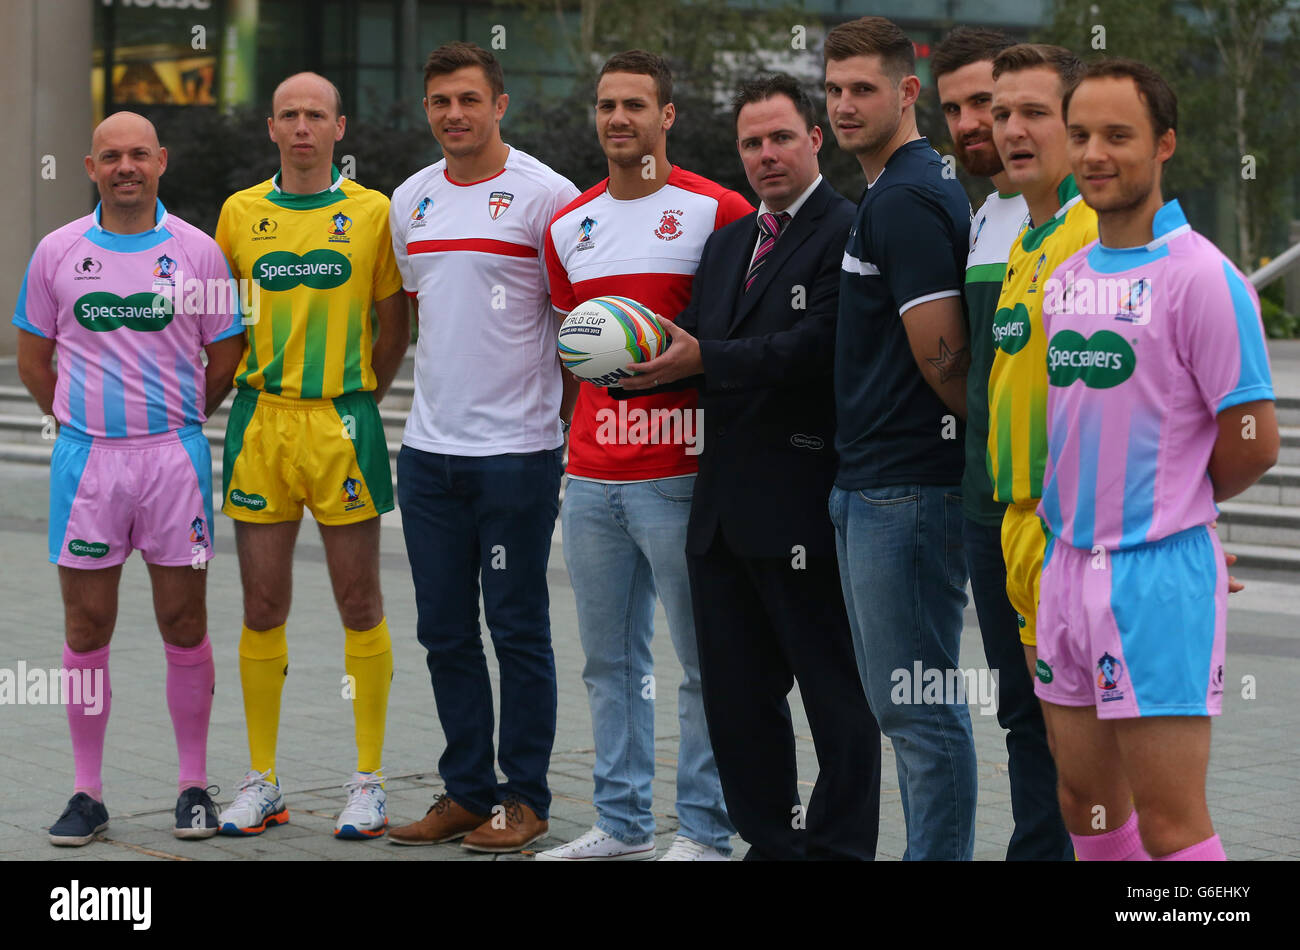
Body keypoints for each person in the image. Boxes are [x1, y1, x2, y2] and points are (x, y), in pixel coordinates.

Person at [615, 74, 883, 860]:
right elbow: (695, 342)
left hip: (806, 509)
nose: (765, 155)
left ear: (815, 140)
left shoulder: (851, 230)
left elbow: (819, 347)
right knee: (737, 705)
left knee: (836, 705)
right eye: (750, 143)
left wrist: (704, 358)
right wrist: (636, 355)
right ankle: (772, 844)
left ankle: (836, 853)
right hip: (722, 518)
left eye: (780, 139)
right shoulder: (730, 240)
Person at [1036, 58, 1278, 861]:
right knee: (1086, 806)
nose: (1095, 153)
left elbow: (1254, 440)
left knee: (1172, 823)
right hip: (1063, 567)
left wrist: (1178, 506)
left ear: (1165, 143)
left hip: (1156, 576)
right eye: (1080, 136)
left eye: (1118, 135)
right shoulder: (1064, 280)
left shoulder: (1205, 277)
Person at [538, 49, 751, 862]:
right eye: (606, 105)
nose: (617, 119)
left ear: (667, 116)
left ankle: (704, 828)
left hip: (682, 470)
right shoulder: (569, 225)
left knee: (704, 663)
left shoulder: (718, 209)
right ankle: (621, 824)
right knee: (607, 662)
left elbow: (737, 333)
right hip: (591, 477)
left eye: (634, 104)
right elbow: (573, 348)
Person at [14, 111, 245, 844]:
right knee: (86, 627)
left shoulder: (199, 253)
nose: (125, 167)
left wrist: (173, 421)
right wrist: (88, 423)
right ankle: (87, 792)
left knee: (184, 621)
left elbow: (225, 357)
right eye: (111, 155)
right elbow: (32, 357)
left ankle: (191, 784)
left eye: (138, 154)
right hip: (87, 463)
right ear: (90, 167)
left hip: (174, 460)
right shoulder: (56, 251)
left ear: (161, 162)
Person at [385, 42, 579, 853]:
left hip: (517, 457)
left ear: (501, 104)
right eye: (439, 102)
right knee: (444, 632)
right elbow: (415, 311)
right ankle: (467, 791)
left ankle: (524, 799)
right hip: (429, 456)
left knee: (517, 627)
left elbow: (578, 332)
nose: (453, 114)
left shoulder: (549, 198)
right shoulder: (410, 200)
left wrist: (549, 431)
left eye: (468, 99)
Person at [213, 72, 409, 839]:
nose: (302, 127)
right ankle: (263, 780)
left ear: (339, 128)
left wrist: (356, 395)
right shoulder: (239, 214)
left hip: (344, 425)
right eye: (289, 115)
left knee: (359, 602)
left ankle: (369, 780)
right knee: (263, 605)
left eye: (315, 116)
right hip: (261, 424)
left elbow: (394, 329)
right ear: (272, 128)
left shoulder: (373, 213)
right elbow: (221, 329)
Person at [823, 15, 977, 861]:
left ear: (907, 92)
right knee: (903, 705)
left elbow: (943, 358)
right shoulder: (889, 191)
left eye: (864, 90)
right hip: (873, 482)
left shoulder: (911, 197)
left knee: (919, 709)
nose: (846, 106)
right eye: (836, 89)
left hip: (908, 488)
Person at [931, 26, 1072, 861]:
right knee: (1023, 714)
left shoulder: (1100, 224)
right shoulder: (994, 220)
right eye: (969, 109)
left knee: (1083, 723)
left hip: (1073, 524)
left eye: (1009, 105)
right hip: (993, 512)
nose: (988, 125)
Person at [986, 44, 1095, 685]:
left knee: (1109, 773)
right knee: (1070, 772)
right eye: (1002, 114)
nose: (1012, 131)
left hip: (1076, 533)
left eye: (1035, 112)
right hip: (1020, 524)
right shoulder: (1027, 239)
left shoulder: (1094, 235)